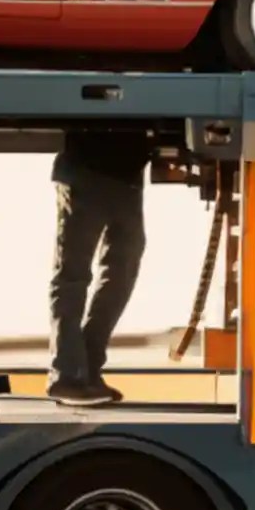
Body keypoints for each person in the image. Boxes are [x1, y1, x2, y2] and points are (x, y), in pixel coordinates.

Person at [46, 127, 154, 406]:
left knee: (122, 270)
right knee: (73, 274)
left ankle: (87, 368)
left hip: (126, 178)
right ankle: (67, 375)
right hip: (85, 172)